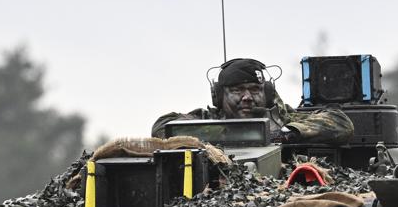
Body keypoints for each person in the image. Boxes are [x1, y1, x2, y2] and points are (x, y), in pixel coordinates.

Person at [151, 58, 354, 144]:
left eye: (255, 90)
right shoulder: (205, 119)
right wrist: (219, 132)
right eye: (237, 90)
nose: (247, 97)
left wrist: (285, 134)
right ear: (219, 96)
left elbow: (340, 122)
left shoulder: (282, 119)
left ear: (266, 93)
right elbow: (161, 127)